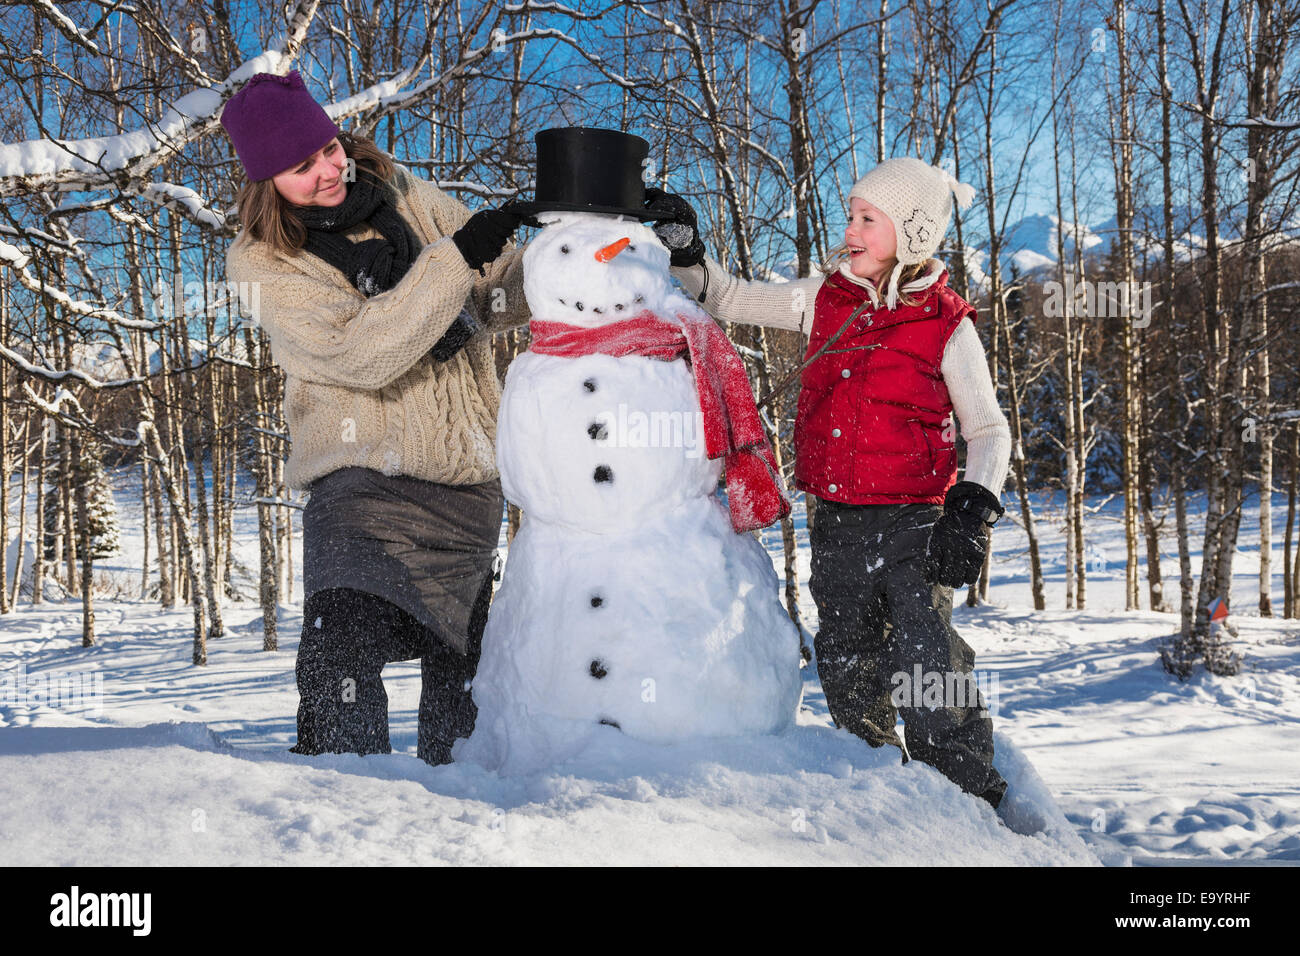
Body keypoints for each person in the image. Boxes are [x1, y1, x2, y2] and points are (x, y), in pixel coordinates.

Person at [649, 158, 1013, 809]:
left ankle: (967, 795)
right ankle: (875, 789)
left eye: (868, 219)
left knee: (929, 665)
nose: (851, 229)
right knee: (848, 666)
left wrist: (972, 508)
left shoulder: (944, 321)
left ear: (913, 233)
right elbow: (727, 296)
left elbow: (989, 429)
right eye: (850, 214)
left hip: (916, 524)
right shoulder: (823, 301)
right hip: (838, 522)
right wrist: (688, 251)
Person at [221, 71, 535, 766]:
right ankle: (342, 823)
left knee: (467, 711)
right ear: (265, 182)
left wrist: (572, 259)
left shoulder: (405, 194)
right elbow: (362, 352)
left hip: (466, 490)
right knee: (341, 677)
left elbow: (502, 296)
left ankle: (464, 831)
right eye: (302, 167)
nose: (330, 170)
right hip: (362, 493)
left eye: (330, 149)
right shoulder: (260, 263)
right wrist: (456, 263)